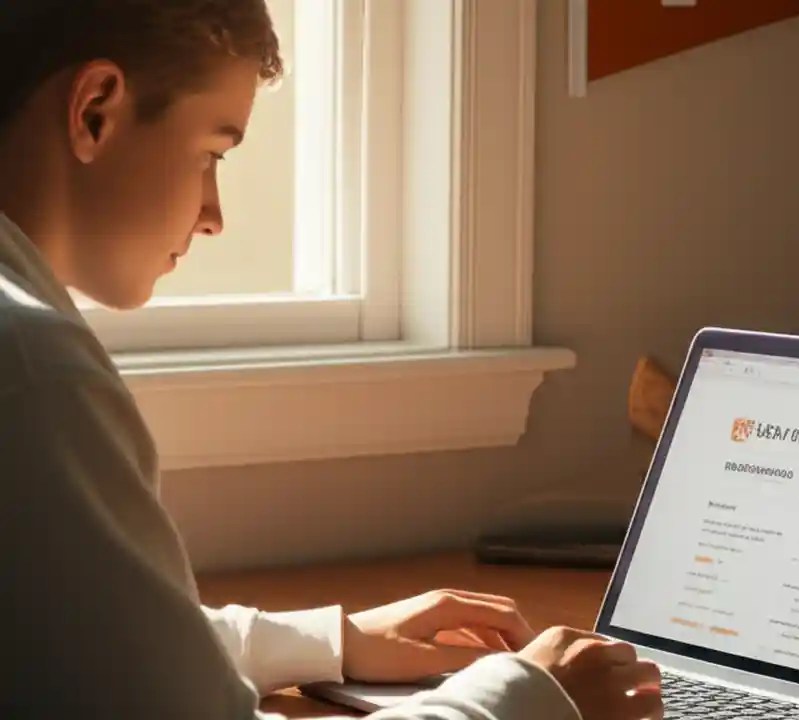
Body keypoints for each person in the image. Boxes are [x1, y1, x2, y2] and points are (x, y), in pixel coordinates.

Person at [0, 1, 662, 717]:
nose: (214, 215)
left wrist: (326, 641)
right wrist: (531, 698)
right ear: (95, 111)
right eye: (211, 154)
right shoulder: (35, 376)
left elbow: (75, 641)